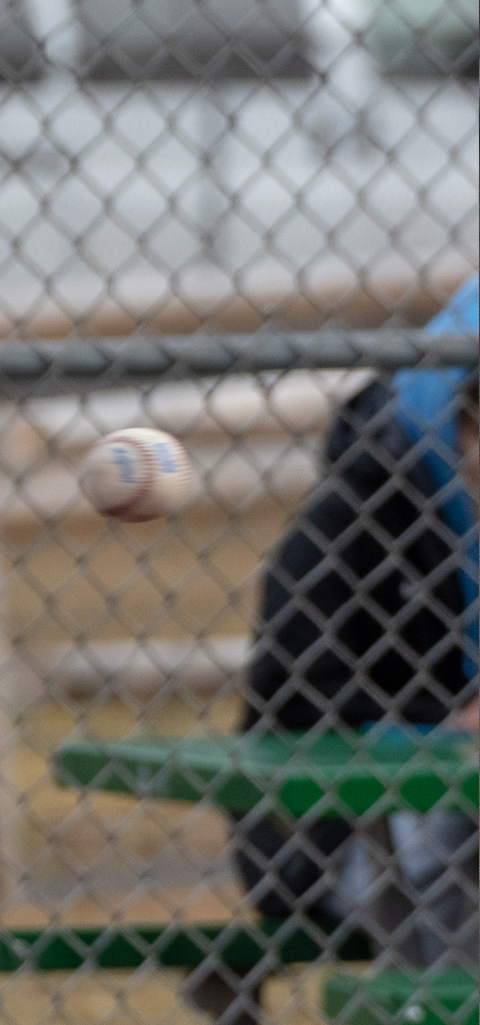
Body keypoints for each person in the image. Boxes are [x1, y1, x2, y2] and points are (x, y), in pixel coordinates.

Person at [190, 277, 479, 1025]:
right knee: (441, 818)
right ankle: (433, 1006)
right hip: (333, 833)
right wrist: (442, 725)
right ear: (457, 418)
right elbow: (299, 689)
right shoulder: (362, 508)